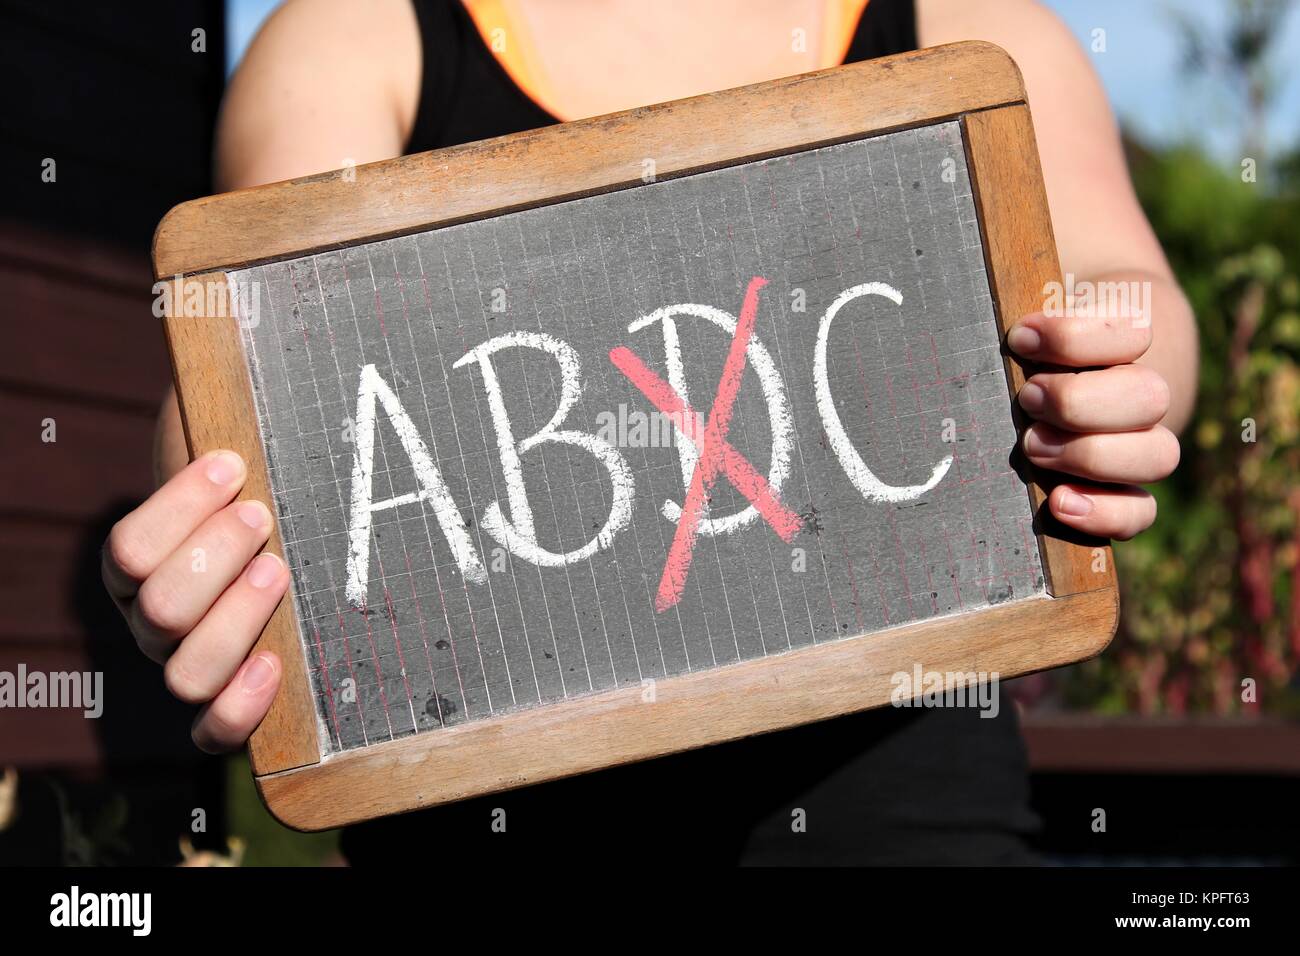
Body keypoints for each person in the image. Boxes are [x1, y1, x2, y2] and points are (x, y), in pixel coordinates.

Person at [102, 0, 1195, 864]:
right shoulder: (356, 36)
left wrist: (1110, 367)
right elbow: (251, 363)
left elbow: (1122, 282)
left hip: (912, 826)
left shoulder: (980, 29)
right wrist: (214, 537)